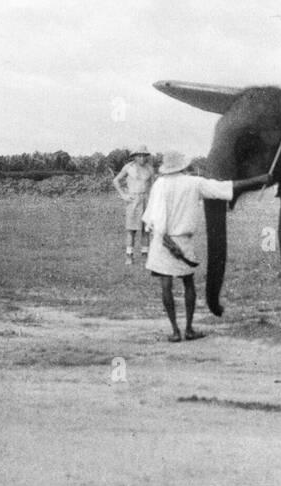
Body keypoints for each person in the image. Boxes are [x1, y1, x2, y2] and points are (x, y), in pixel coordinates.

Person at [141, 151, 270, 342]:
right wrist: (258, 180)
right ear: (184, 166)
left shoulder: (159, 184)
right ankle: (189, 329)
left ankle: (175, 331)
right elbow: (223, 188)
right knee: (188, 283)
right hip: (182, 240)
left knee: (165, 285)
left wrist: (163, 237)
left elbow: (151, 217)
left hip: (162, 240)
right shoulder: (194, 182)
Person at [113, 146, 155, 265]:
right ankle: (129, 256)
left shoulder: (150, 168)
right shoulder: (128, 167)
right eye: (139, 155)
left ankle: (144, 256)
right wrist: (123, 195)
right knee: (131, 230)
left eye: (144, 155)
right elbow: (116, 181)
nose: (142, 158)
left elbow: (153, 186)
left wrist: (153, 201)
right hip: (133, 200)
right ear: (135, 156)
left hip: (146, 199)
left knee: (146, 230)